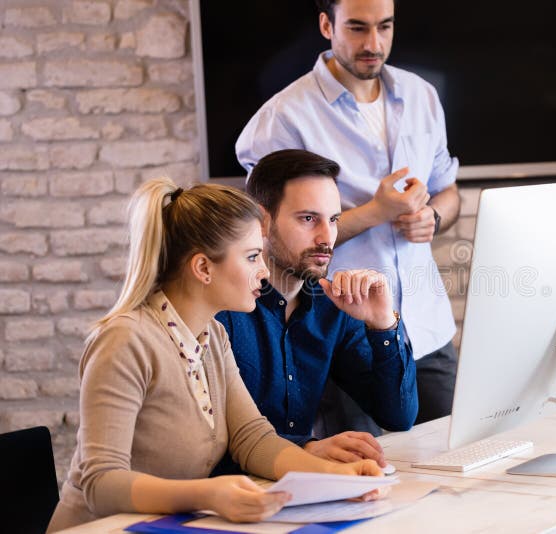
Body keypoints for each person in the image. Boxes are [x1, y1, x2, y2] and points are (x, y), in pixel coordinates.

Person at [47, 178, 383, 533]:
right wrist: (207, 495)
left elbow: (253, 438)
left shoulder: (213, 335)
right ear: (204, 268)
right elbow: (101, 484)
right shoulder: (125, 341)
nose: (265, 271)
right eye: (253, 257)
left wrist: (336, 475)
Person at [236, 0, 461, 429]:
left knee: (461, 460)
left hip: (427, 324)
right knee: (368, 474)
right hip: (343, 332)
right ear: (326, 25)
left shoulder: (422, 96)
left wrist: (432, 215)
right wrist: (378, 211)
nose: (373, 43)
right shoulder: (283, 118)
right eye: (357, 28)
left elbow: (448, 190)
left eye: (385, 27)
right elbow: (268, 233)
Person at [216, 149, 416, 469]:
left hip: (305, 487)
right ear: (262, 222)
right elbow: (206, 440)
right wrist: (305, 449)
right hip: (231, 496)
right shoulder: (221, 309)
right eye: (308, 219)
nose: (327, 238)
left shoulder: (332, 307)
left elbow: (399, 416)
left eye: (333, 219)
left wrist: (383, 325)